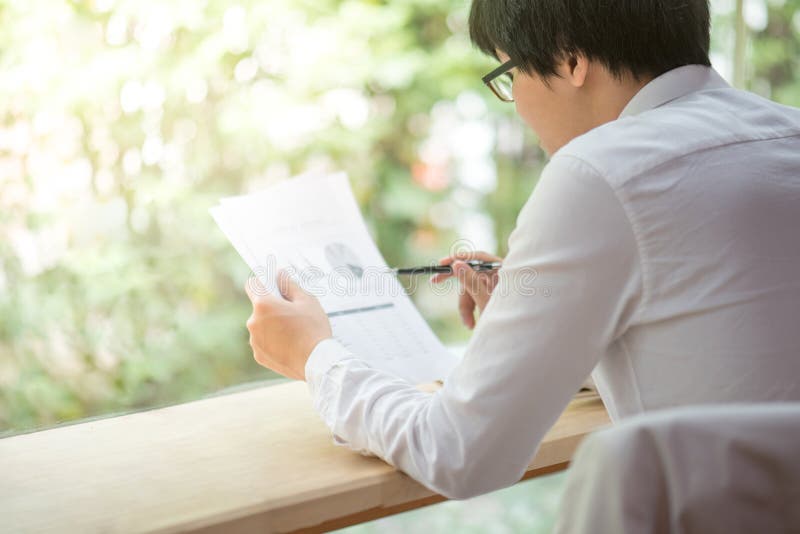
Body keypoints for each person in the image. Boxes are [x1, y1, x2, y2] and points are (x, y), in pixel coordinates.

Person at [244, 0, 800, 500]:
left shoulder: (600, 171)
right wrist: (550, 310)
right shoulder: (786, 132)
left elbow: (459, 452)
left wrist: (314, 355)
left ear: (570, 60)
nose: (515, 105)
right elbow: (725, 352)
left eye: (508, 73)